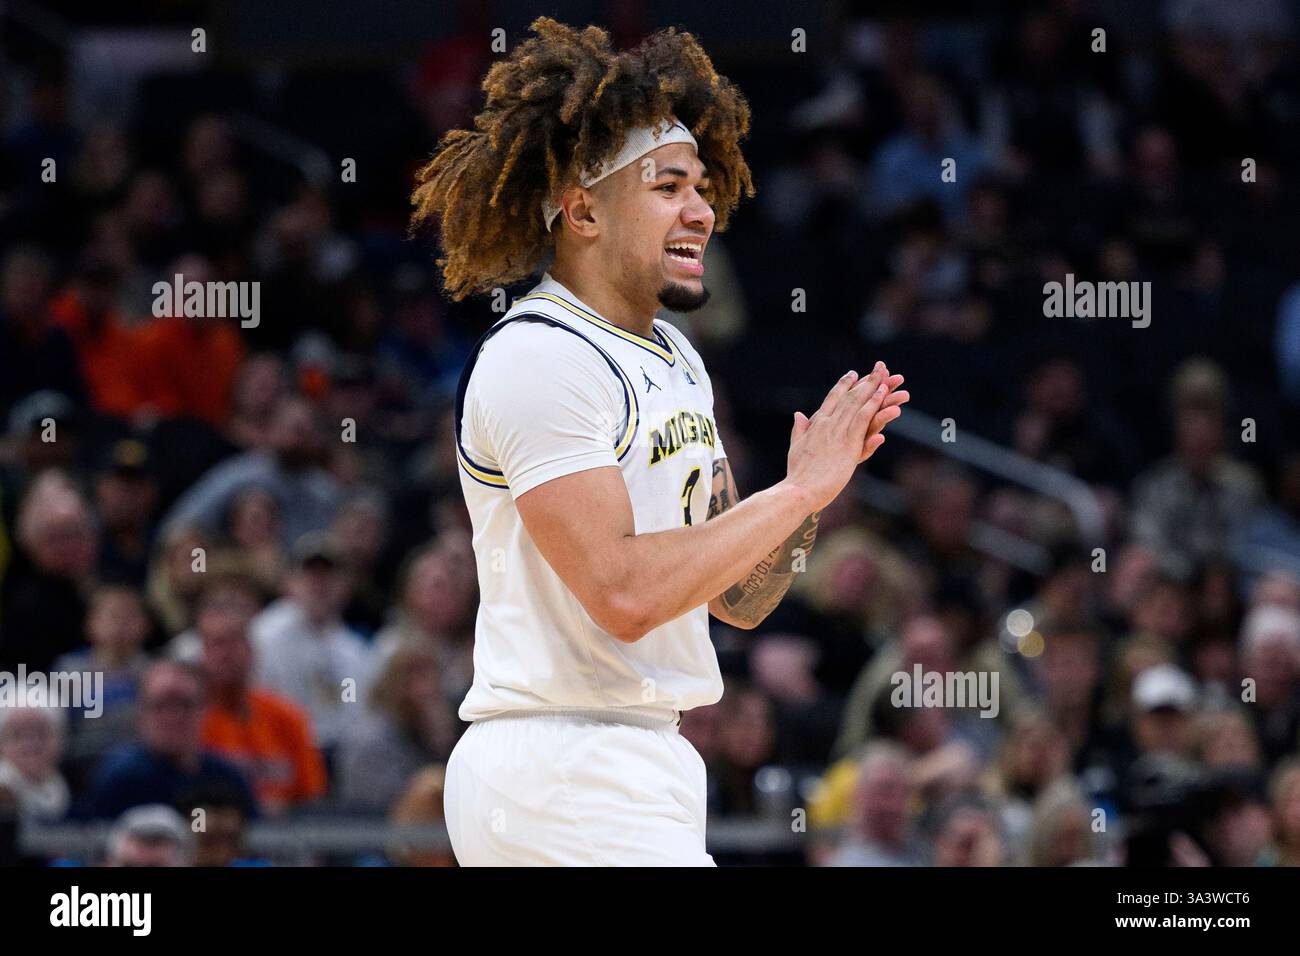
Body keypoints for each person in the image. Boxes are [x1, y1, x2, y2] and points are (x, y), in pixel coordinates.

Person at [409, 18, 908, 865]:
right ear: (583, 209)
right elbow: (624, 596)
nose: (702, 209)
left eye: (703, 187)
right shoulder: (541, 355)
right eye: (668, 186)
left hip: (644, 756)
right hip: (560, 758)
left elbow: (736, 599)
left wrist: (807, 500)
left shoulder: (675, 355)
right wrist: (793, 494)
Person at [81, 660, 258, 820]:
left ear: (204, 710)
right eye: (161, 704)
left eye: (184, 704)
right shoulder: (119, 780)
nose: (173, 717)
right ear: (141, 712)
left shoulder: (226, 779)